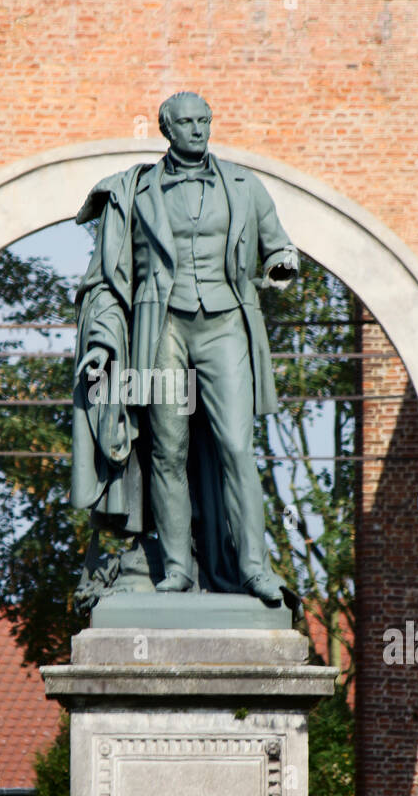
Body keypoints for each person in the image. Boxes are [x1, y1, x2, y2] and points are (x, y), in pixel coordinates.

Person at [71, 92, 299, 607]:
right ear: (166, 130)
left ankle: (254, 568)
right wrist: (105, 343)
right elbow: (110, 277)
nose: (198, 130)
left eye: (204, 121)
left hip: (225, 326)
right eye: (187, 123)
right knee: (167, 449)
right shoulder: (137, 191)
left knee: (237, 447)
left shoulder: (245, 186)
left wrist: (282, 264)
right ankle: (175, 569)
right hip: (162, 327)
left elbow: (278, 243)